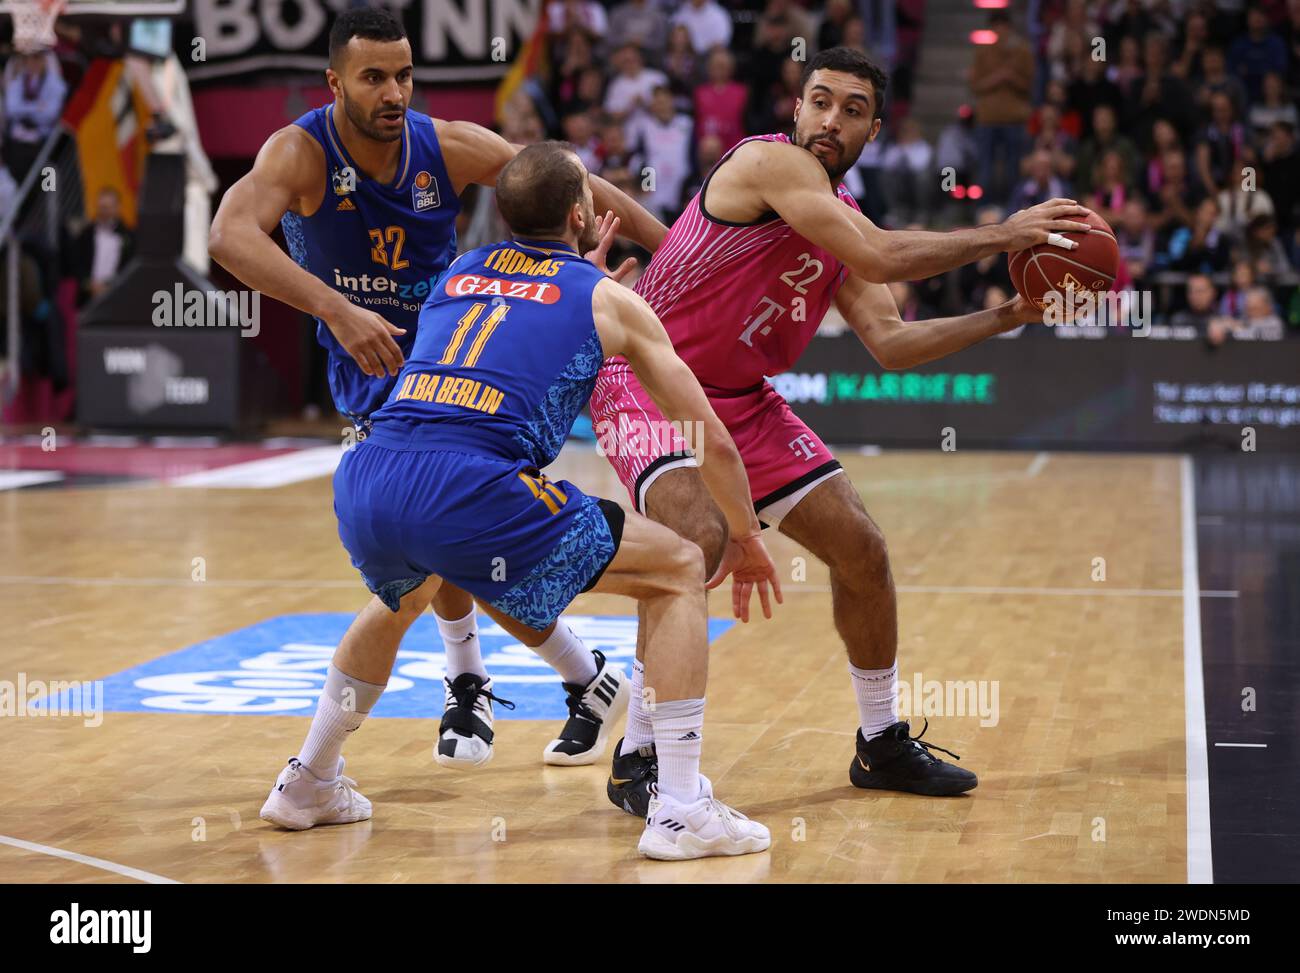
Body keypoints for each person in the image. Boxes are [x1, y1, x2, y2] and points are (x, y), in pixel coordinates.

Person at [591, 47, 1091, 814]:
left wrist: (1008, 315)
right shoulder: (767, 164)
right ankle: (641, 753)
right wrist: (1005, 232)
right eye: (819, 101)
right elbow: (883, 252)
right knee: (695, 540)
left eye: (852, 109)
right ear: (795, 111)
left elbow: (892, 346)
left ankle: (881, 739)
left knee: (864, 550)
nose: (831, 119)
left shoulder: (843, 224)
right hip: (648, 382)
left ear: (873, 130)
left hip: (742, 398)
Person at [209, 9, 667, 780]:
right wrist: (335, 306)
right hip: (366, 377)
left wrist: (678, 246)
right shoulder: (298, 151)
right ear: (334, 83)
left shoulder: (443, 143)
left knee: (433, 555)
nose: (395, 92)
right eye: (374, 77)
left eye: (405, 75)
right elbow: (229, 235)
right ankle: (573, 674)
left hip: (453, 374)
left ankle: (445, 701)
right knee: (441, 553)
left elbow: (564, 176)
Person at [318, 141, 779, 860]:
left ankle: (310, 777)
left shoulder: (458, 272)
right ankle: (681, 806)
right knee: (680, 565)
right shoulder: (608, 300)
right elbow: (712, 442)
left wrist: (581, 291)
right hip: (470, 485)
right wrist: (748, 538)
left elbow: (517, 317)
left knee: (401, 597)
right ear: (582, 212)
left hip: (368, 474)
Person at [70, 188, 134, 308]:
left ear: (117, 207)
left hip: (118, 296)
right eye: (102, 207)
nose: (105, 212)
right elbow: (75, 262)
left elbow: (129, 266)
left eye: (108, 207)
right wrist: (88, 284)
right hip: (87, 297)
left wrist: (110, 286)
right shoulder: (86, 234)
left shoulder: (129, 237)